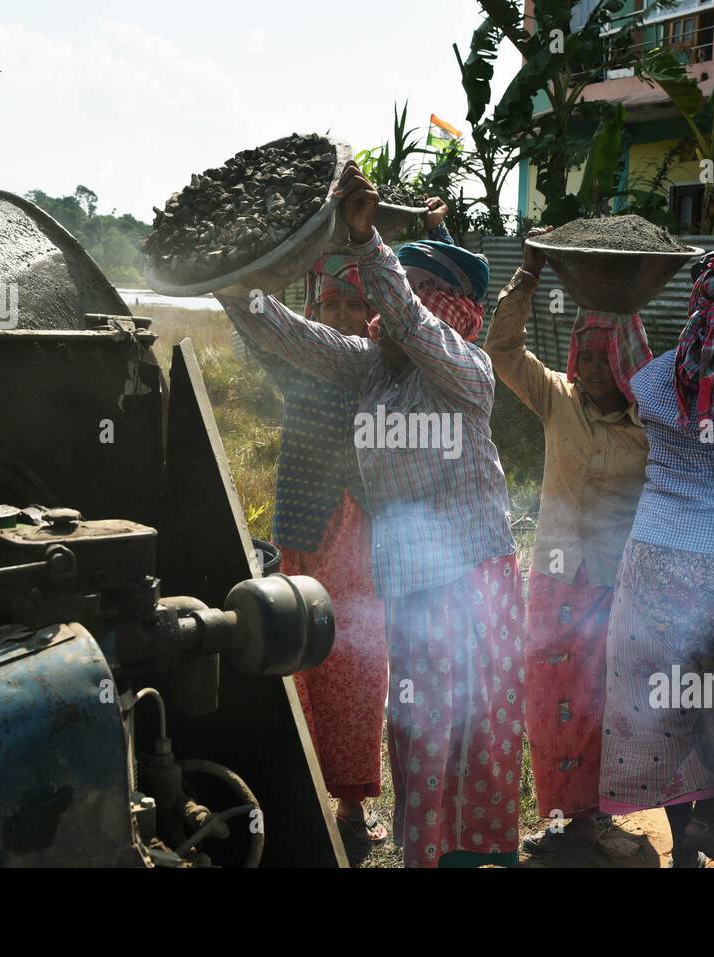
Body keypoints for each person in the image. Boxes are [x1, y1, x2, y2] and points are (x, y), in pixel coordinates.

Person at [216, 163, 525, 869]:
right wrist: (234, 286)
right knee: (419, 735)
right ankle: (431, 856)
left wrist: (367, 242)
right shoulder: (374, 369)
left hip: (474, 585)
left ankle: (479, 856)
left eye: (407, 298)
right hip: (414, 593)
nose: (382, 314)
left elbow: (412, 324)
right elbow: (296, 338)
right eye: (387, 299)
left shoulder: (464, 372)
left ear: (448, 309)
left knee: (476, 735)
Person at [598, 248, 714, 868]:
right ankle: (705, 821)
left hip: (649, 558)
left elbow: (635, 383)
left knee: (671, 700)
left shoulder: (656, 376)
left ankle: (685, 843)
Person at [482, 226, 651, 858]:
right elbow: (502, 349)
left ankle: (600, 819)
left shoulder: (648, 429)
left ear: (625, 363)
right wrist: (527, 276)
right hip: (555, 579)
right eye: (581, 353)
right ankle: (560, 820)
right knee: (551, 703)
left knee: (606, 704)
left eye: (601, 357)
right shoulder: (558, 399)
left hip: (613, 583)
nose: (586, 368)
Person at [227, 263, 389, 856]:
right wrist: (229, 287)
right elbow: (256, 329)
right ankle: (301, 791)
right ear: (313, 314)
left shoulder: (380, 367)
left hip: (358, 528)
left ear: (370, 314)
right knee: (294, 647)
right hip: (300, 522)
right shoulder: (295, 362)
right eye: (330, 307)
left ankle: (349, 803)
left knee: (352, 658)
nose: (341, 318)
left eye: (353, 306)